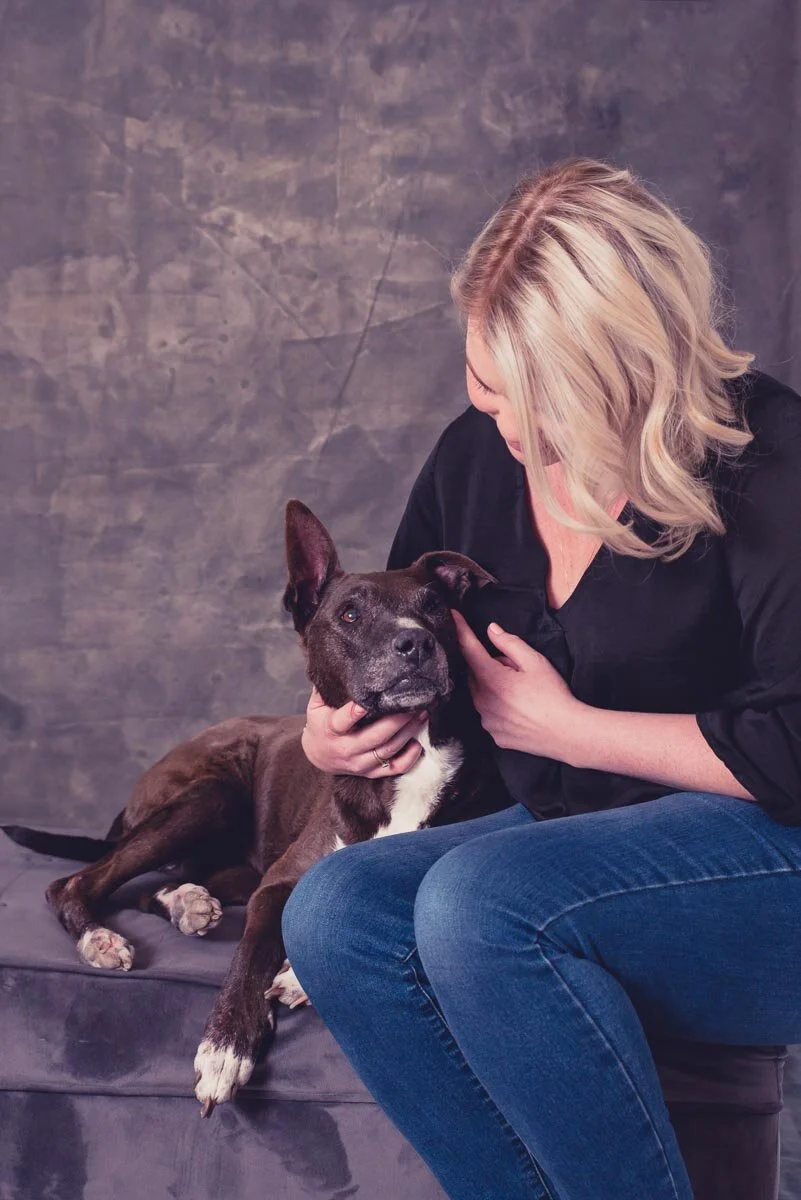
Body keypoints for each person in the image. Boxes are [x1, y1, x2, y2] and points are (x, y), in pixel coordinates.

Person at [281, 157, 801, 1200]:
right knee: (338, 911)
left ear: (623, 371)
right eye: (482, 382)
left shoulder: (768, 458)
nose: (503, 425)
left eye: (532, 396)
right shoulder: (474, 458)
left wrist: (576, 732)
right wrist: (325, 730)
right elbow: (378, 634)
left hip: (767, 859)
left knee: (482, 903)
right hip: (586, 842)